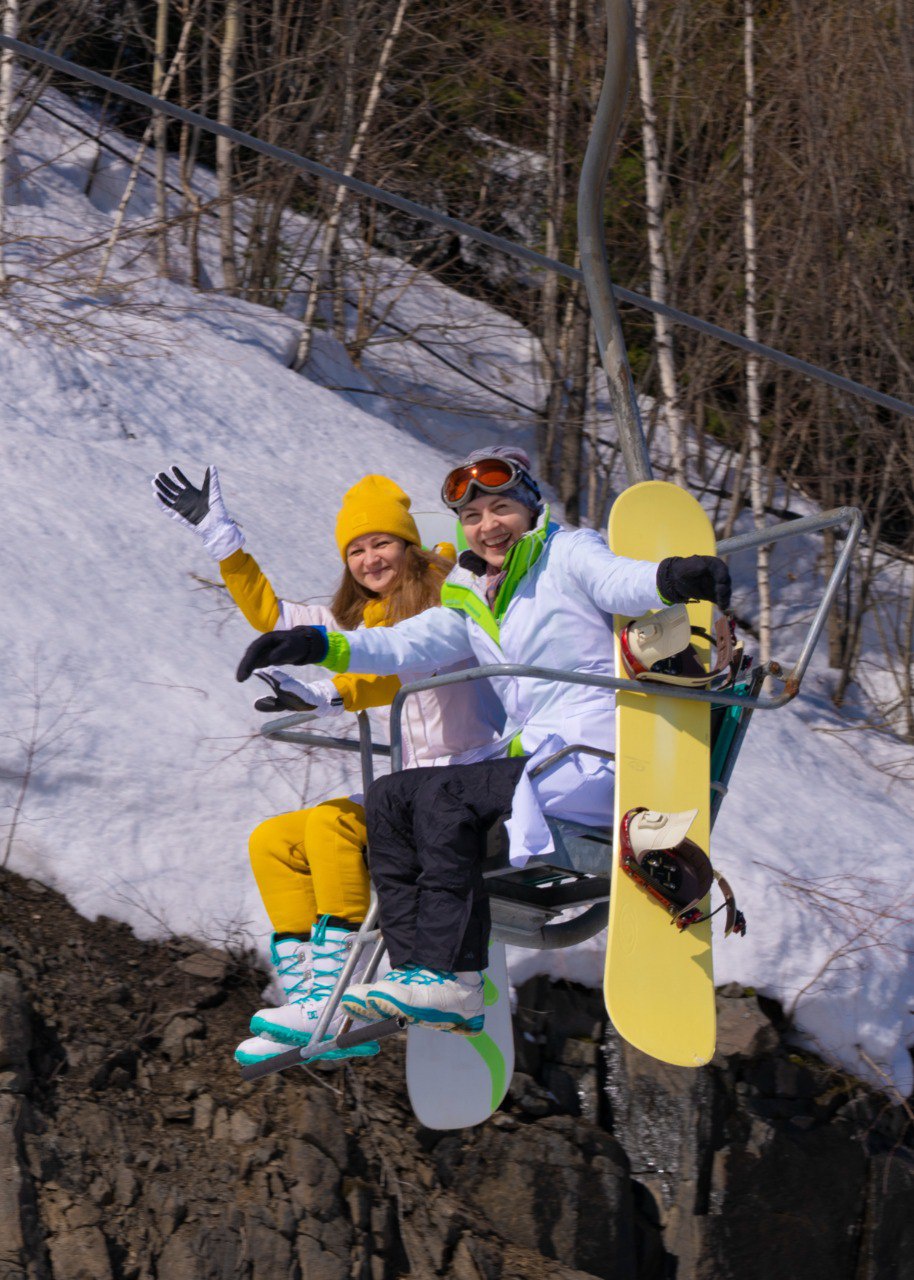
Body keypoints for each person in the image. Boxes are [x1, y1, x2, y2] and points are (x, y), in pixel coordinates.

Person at [234, 445, 732, 1037]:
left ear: (530, 507)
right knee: (394, 796)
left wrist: (669, 578)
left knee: (442, 795)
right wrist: (320, 647)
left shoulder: (565, 552)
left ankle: (456, 979)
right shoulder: (473, 592)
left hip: (591, 757)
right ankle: (419, 971)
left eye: (501, 509)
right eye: (473, 518)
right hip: (536, 760)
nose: (488, 526)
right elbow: (405, 644)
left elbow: (619, 581)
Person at [153, 466, 504, 1062]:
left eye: (382, 543)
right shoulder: (364, 618)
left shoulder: (449, 601)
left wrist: (325, 694)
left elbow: (391, 667)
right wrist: (221, 537)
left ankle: (334, 997)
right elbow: (274, 617)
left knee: (331, 825)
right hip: (411, 794)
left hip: (464, 784)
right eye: (357, 550)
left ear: (409, 545)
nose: (370, 559)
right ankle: (307, 997)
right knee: (274, 841)